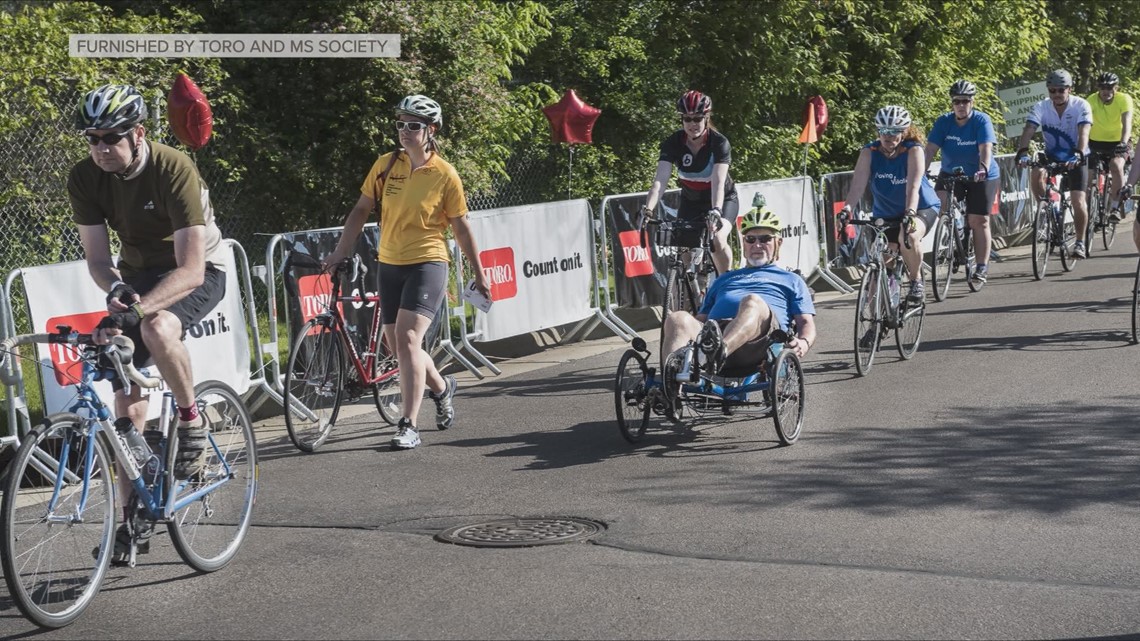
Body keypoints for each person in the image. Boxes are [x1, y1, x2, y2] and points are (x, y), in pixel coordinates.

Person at [68, 83, 227, 560]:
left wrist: (139, 310)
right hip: (138, 274)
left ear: (138, 134)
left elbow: (192, 269)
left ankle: (191, 420)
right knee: (123, 393)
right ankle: (130, 519)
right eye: (93, 138)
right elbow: (98, 259)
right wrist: (116, 290)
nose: (101, 148)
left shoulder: (172, 167)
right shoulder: (85, 177)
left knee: (158, 328)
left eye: (111, 137)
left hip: (198, 270)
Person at [325, 94, 490, 451]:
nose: (404, 131)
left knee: (409, 340)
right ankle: (443, 388)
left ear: (431, 131)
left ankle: (408, 424)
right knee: (397, 345)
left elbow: (461, 228)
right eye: (400, 124)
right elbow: (361, 209)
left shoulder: (445, 175)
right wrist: (341, 249)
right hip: (389, 261)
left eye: (413, 126)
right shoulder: (386, 165)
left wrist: (479, 272)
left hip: (427, 261)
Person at [659, 203, 815, 385]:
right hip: (714, 335)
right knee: (678, 318)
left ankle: (718, 353)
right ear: (744, 244)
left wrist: (804, 342)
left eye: (765, 239)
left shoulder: (791, 279)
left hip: (760, 342)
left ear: (778, 243)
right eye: (750, 239)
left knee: (751, 301)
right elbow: (701, 319)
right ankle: (668, 387)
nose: (757, 245)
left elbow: (806, 323)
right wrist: (679, 324)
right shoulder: (724, 279)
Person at [839, 105, 940, 304]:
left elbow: (912, 186)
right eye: (884, 131)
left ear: (904, 132)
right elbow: (858, 184)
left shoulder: (913, 150)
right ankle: (873, 324)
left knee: (908, 236)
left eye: (895, 132)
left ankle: (915, 281)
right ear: (878, 131)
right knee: (884, 262)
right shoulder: (869, 151)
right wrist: (847, 208)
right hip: (886, 212)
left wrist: (910, 213)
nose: (889, 136)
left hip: (921, 207)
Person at [643, 90, 739, 274]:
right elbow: (660, 181)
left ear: (706, 117)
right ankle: (688, 297)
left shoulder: (719, 143)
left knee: (717, 240)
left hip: (723, 199)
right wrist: (648, 209)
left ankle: (726, 282)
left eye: (697, 119)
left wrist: (716, 210)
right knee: (683, 251)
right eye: (687, 118)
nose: (692, 124)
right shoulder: (673, 143)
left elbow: (718, 182)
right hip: (691, 201)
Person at [925, 80, 1001, 285]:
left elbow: (986, 148)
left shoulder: (981, 120)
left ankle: (982, 267)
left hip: (981, 175)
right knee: (941, 204)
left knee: (979, 220)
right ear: (952, 103)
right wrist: (920, 171)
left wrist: (983, 169)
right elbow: (930, 149)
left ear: (972, 102)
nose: (961, 105)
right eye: (957, 101)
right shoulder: (943, 122)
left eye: (965, 101)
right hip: (952, 172)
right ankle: (954, 228)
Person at [1016, 69, 1093, 258]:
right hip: (1052, 154)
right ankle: (1048, 211)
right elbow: (1029, 129)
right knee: (1036, 172)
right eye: (1052, 90)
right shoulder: (1041, 106)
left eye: (1061, 90)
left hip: (1077, 155)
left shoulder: (1081, 105)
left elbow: (1084, 132)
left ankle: (1080, 242)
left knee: (1077, 200)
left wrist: (1079, 154)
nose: (1056, 94)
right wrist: (1022, 152)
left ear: (1069, 89)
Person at [1086, 71, 1133, 222]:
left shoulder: (1124, 99)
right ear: (1098, 88)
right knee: (1089, 174)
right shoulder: (1091, 100)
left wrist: (1123, 143)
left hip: (1118, 141)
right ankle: (1088, 208)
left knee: (1116, 165)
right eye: (1102, 87)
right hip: (1095, 141)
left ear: (1116, 88)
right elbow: (1084, 125)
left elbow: (1127, 124)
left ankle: (1114, 207)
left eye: (1110, 87)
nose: (1106, 91)